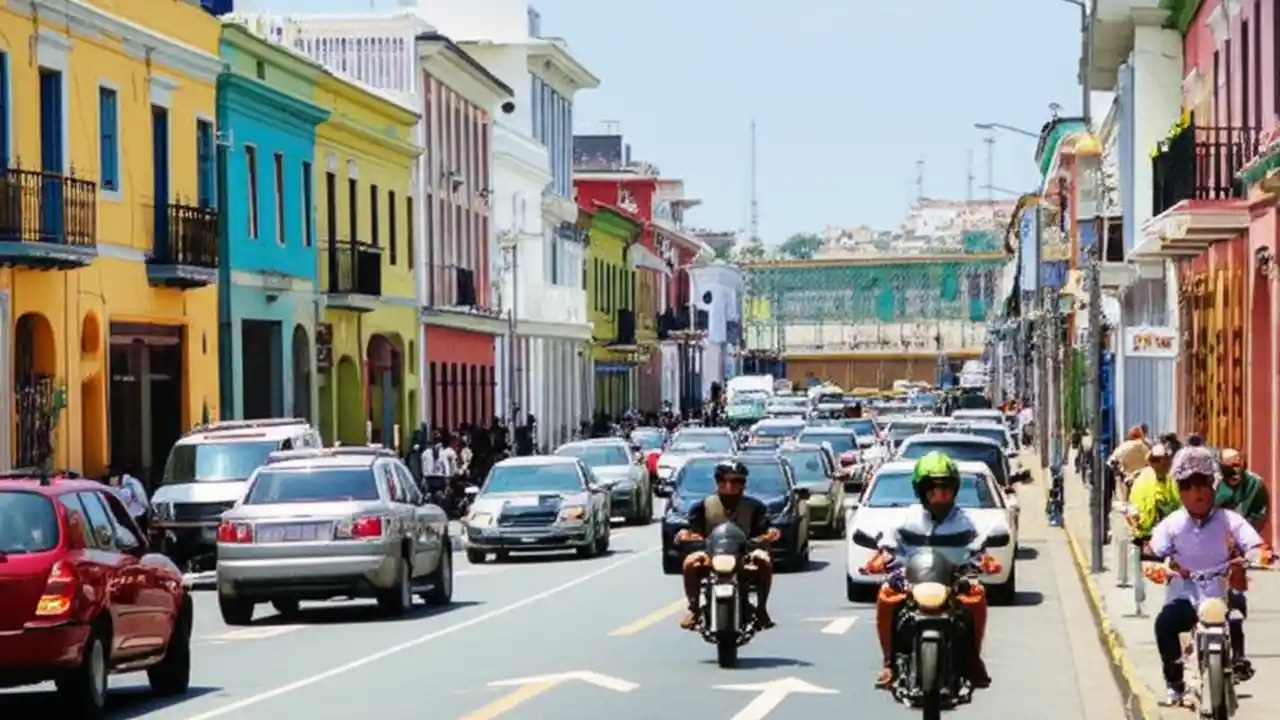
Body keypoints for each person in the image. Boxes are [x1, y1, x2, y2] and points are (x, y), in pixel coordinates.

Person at [1143, 446, 1274, 706]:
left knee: (1236, 612)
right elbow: (1153, 552)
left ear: (1214, 487)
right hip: (1185, 591)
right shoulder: (1172, 523)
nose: (1197, 493)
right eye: (1188, 486)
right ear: (1180, 492)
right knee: (1164, 625)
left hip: (1220, 589)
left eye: (1203, 485)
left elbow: (1254, 543)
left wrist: (1259, 554)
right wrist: (1154, 566)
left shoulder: (1229, 519)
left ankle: (1237, 660)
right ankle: (1175, 683)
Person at [862, 452, 1000, 689]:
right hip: (911, 579)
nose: (940, 496)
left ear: (954, 491)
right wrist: (877, 560)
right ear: (921, 491)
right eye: (933, 490)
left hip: (953, 581)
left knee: (977, 595)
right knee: (885, 595)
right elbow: (888, 545)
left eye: (945, 489)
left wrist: (986, 561)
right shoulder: (907, 519)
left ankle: (973, 659)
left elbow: (978, 550)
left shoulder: (965, 522)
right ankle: (888, 663)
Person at [674, 459, 779, 631]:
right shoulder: (701, 507)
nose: (730, 486)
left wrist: (768, 536)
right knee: (690, 563)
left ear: (744, 484)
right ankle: (693, 609)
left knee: (764, 561)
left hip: (744, 555)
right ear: (718, 482)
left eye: (737, 481)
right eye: (725, 480)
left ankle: (761, 609)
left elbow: (764, 531)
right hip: (710, 555)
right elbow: (693, 531)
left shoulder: (756, 507)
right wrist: (686, 536)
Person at [1215, 448, 1270, 681]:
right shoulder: (1214, 486)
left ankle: (1238, 657)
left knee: (1236, 603)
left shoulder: (1255, 485)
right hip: (1213, 551)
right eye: (1230, 466)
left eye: (1239, 464)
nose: (1235, 470)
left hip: (1238, 554)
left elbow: (1262, 512)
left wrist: (1248, 538)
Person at [1127, 442, 1180, 544]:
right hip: (1146, 535)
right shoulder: (1146, 479)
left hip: (1159, 534)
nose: (1168, 464)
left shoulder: (1168, 480)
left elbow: (1177, 503)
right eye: (1164, 461)